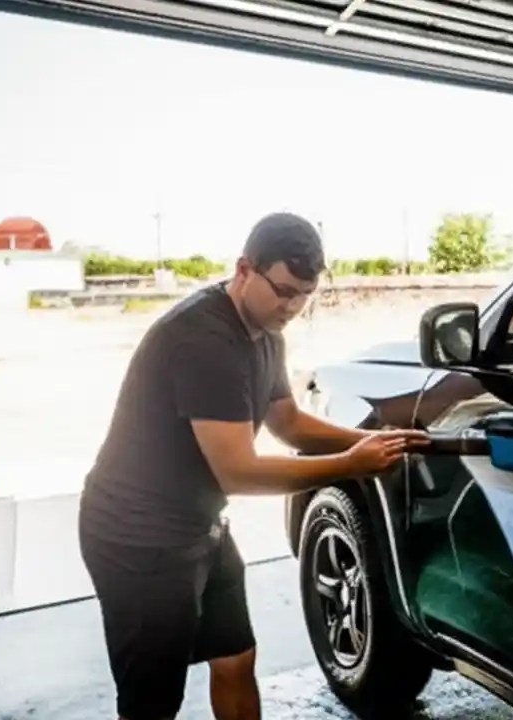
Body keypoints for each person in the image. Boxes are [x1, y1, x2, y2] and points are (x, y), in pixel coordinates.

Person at [78, 212, 428, 720]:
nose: (290, 306)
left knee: (236, 658)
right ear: (244, 268)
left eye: (304, 295)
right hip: (137, 538)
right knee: (152, 699)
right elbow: (239, 472)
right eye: (282, 290)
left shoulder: (266, 330)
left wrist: (375, 440)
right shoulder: (204, 340)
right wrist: (351, 464)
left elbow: (288, 424)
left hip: (201, 526)